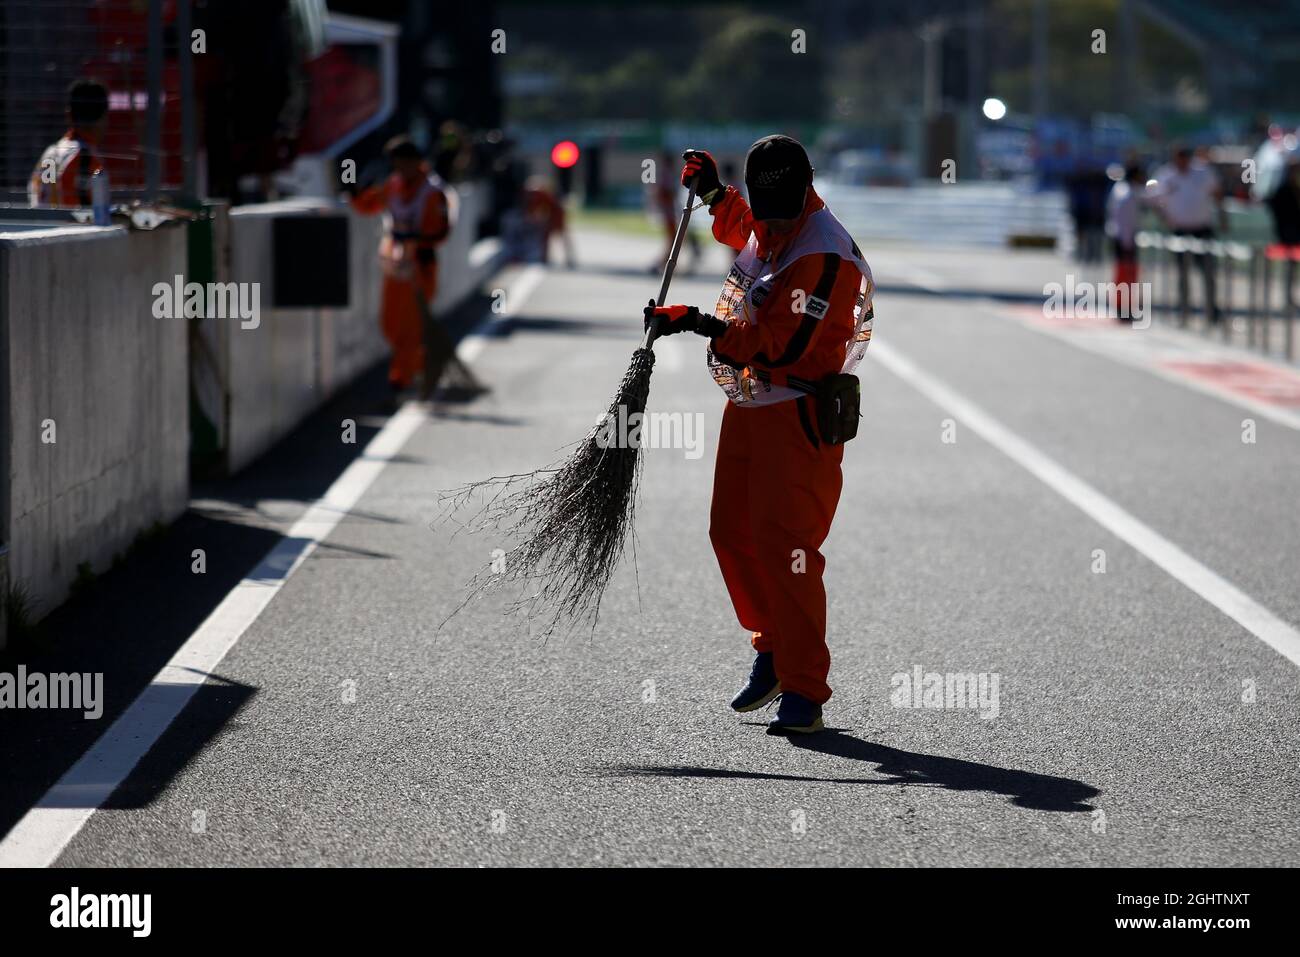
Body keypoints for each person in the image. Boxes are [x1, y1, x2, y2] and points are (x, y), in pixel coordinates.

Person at [642, 136, 874, 734]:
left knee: (790, 552)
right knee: (730, 534)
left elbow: (784, 344)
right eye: (763, 206)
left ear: (807, 188)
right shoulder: (775, 221)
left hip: (798, 411)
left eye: (778, 207)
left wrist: (697, 322)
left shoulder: (826, 257)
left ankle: (804, 691)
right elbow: (745, 228)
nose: (766, 220)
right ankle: (771, 648)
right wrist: (717, 194)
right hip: (749, 404)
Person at [350, 135, 453, 398]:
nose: (401, 169)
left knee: (410, 326)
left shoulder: (433, 191)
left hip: (421, 265)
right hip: (396, 264)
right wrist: (354, 188)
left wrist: (415, 241)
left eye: (406, 163)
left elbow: (441, 231)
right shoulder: (392, 186)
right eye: (397, 164)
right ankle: (420, 366)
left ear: (417, 162)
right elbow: (367, 205)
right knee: (390, 323)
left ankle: (402, 379)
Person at [1150, 144, 1223, 324]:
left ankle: (1211, 309)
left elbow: (1217, 192)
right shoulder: (1166, 175)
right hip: (1180, 229)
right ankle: (1184, 309)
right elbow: (1156, 200)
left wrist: (1222, 217)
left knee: (1208, 271)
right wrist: (1165, 217)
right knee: (1182, 273)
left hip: (1202, 228)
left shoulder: (1203, 172)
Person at [29, 79, 109, 208]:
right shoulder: (86, 160)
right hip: (67, 227)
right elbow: (88, 214)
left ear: (69, 115)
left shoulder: (51, 153)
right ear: (104, 118)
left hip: (41, 224)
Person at [1106, 164, 1146, 321]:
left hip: (1122, 236)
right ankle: (1123, 308)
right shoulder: (1127, 194)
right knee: (1125, 275)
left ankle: (1124, 307)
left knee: (1125, 274)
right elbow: (1124, 221)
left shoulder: (1122, 189)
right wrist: (1127, 242)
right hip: (1124, 238)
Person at [648, 150, 700, 274]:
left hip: (671, 211)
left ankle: (665, 264)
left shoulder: (665, 174)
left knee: (676, 240)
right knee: (674, 240)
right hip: (669, 212)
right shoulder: (667, 174)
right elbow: (663, 192)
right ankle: (663, 265)